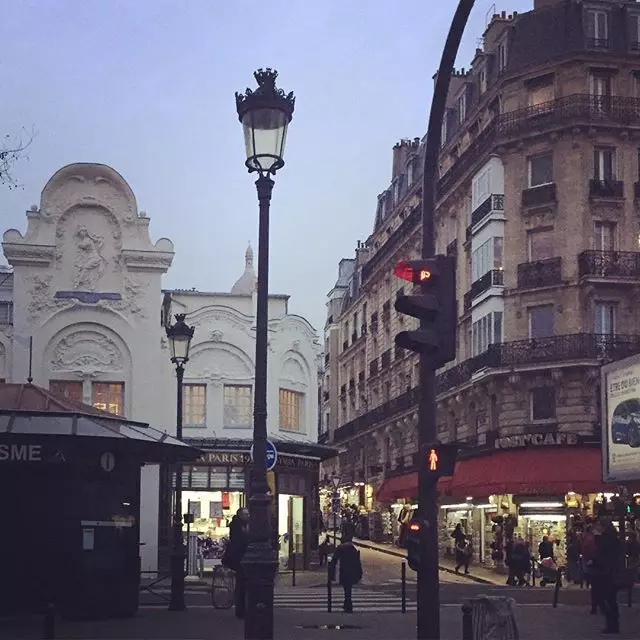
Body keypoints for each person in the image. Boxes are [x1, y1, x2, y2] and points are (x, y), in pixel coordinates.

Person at [593, 518, 622, 634]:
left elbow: (601, 554)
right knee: (609, 599)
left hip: (606, 573)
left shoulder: (605, 539)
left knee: (606, 598)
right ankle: (613, 623)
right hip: (609, 572)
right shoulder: (613, 539)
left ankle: (612, 623)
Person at [222, 507, 250, 619]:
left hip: (244, 559)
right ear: (240, 515)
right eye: (246, 514)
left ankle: (243, 608)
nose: (248, 516)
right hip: (240, 559)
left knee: (243, 585)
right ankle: (240, 609)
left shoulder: (245, 525)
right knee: (241, 585)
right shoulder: (236, 526)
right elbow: (238, 541)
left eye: (248, 514)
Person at [329, 527, 363, 613]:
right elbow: (357, 562)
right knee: (348, 588)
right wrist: (359, 572)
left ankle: (348, 604)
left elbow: (334, 560)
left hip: (344, 571)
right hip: (351, 571)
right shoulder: (353, 549)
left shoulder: (340, 548)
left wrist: (331, 573)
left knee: (347, 588)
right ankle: (347, 603)